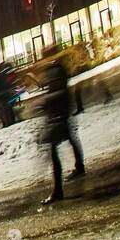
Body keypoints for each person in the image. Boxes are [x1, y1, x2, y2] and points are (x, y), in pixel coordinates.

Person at [40, 56, 85, 204]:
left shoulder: (54, 71)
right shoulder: (57, 69)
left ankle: (58, 190)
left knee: (54, 151)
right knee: (70, 141)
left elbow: (56, 93)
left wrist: (48, 104)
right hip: (61, 116)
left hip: (58, 118)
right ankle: (79, 167)